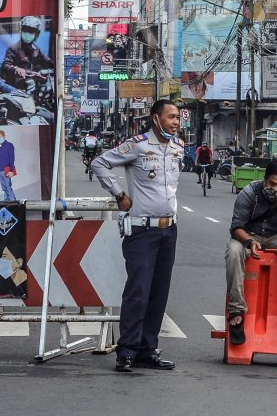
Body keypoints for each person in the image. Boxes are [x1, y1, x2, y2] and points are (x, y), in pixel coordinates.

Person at [90, 100, 183, 373]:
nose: (176, 122)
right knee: (138, 291)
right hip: (142, 230)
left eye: (178, 118)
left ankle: (147, 349)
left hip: (169, 229)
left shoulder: (177, 148)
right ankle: (127, 351)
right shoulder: (137, 145)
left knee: (158, 292)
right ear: (156, 119)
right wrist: (119, 194)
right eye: (171, 117)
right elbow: (100, 163)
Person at [225, 159, 277, 344]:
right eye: (272, 184)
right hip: (247, 235)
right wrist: (248, 241)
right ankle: (236, 310)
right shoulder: (248, 193)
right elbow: (236, 227)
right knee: (233, 250)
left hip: (276, 236)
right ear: (264, 180)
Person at [1, 15, 54, 89]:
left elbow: (48, 62)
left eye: (31, 31)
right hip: (15, 88)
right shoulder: (13, 48)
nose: (27, 33)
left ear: (36, 34)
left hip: (31, 87)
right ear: (21, 31)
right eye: (25, 30)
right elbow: (5, 65)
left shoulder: (36, 50)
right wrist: (16, 69)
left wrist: (58, 66)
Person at [0, 130, 17, 200]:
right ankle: (6, 201)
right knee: (3, 187)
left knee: (8, 186)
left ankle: (12, 201)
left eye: (0, 137)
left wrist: (11, 170)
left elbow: (12, 158)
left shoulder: (9, 145)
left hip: (7, 169)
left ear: (4, 136)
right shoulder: (0, 148)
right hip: (1, 171)